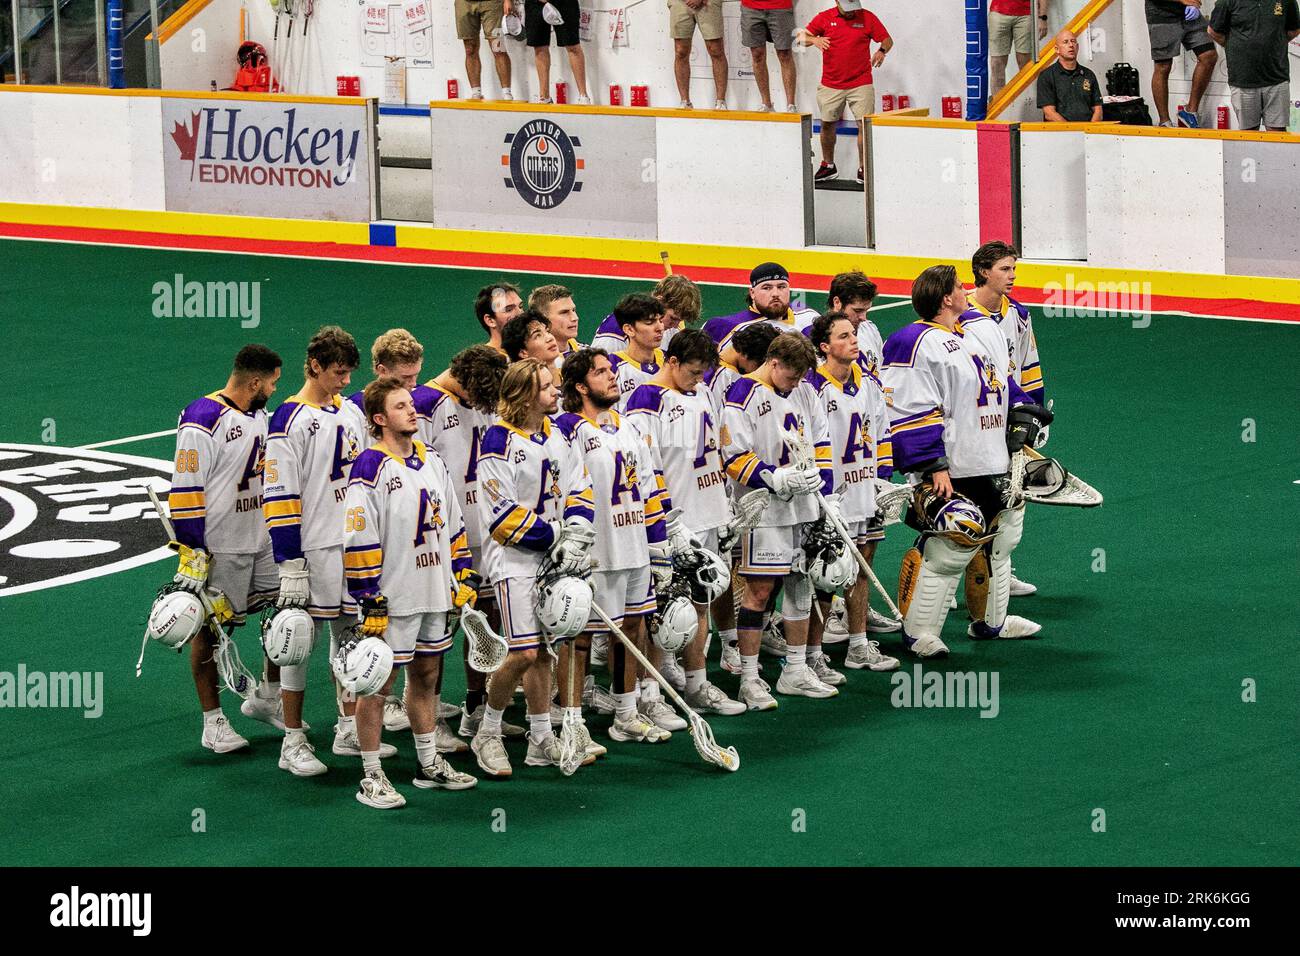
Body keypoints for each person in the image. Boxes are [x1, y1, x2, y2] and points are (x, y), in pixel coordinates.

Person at [881, 266, 1052, 658]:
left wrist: (1025, 413)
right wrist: (931, 463)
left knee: (1001, 538)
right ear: (946, 297)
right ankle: (920, 633)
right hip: (951, 466)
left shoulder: (972, 333)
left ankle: (991, 623)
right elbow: (907, 406)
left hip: (991, 458)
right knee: (951, 542)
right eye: (959, 287)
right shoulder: (912, 341)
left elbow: (1000, 383)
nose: (966, 291)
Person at [343, 377, 480, 808]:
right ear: (379, 418)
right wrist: (370, 597)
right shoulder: (369, 467)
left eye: (411, 404)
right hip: (392, 598)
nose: (412, 411)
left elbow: (453, 521)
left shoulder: (431, 459)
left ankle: (427, 763)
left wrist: (463, 572)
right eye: (401, 406)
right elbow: (359, 535)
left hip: (434, 591)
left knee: (426, 677)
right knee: (376, 686)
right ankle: (371, 775)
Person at [263, 327, 388, 775]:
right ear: (314, 366)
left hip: (352, 545)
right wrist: (290, 562)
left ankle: (347, 727)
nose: (346, 380)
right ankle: (292, 741)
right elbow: (279, 495)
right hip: (314, 548)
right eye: (338, 372)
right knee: (298, 640)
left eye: (350, 372)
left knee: (350, 634)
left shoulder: (350, 412)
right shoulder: (288, 420)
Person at [472, 359, 596, 777]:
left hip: (556, 555)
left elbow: (580, 487)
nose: (556, 391)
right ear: (524, 396)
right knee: (523, 651)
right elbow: (502, 518)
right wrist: (558, 534)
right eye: (545, 386)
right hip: (514, 560)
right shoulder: (498, 441)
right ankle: (487, 731)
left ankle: (540, 738)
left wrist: (575, 533)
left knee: (545, 650)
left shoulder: (558, 432)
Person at [168, 345, 285, 754]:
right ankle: (213, 722)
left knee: (290, 612)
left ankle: (269, 696)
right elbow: (186, 490)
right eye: (272, 382)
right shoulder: (202, 419)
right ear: (254, 382)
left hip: (263, 538)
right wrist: (193, 550)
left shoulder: (259, 415)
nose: (274, 389)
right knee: (212, 631)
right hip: (222, 545)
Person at [626, 330, 749, 716]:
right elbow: (646, 468)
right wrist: (664, 522)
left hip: (708, 514)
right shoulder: (647, 399)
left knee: (700, 602)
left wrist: (725, 508)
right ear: (673, 361)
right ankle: (650, 695)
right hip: (674, 522)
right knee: (663, 608)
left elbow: (714, 452)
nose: (698, 379)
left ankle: (696, 684)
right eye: (693, 372)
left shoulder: (703, 391)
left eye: (703, 373)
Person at [556, 348, 674, 745]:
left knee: (631, 629)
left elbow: (649, 490)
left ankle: (626, 714)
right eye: (601, 372)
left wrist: (659, 547)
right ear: (579, 386)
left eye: (611, 370)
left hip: (634, 548)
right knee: (580, 638)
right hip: (595, 554)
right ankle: (573, 723)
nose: (612, 377)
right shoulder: (567, 429)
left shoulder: (627, 427)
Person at [413, 345, 527, 744]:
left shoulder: (485, 398)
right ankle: (432, 720)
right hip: (445, 537)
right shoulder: (424, 405)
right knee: (438, 630)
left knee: (484, 622)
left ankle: (475, 707)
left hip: (487, 533)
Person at [721, 332, 837, 707]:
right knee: (759, 591)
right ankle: (750, 679)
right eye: (791, 374)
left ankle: (796, 671)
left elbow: (821, 441)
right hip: (763, 511)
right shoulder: (743, 393)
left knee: (801, 585)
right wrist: (775, 477)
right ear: (773, 362)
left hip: (804, 508)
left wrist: (826, 490)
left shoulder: (804, 389)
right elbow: (733, 455)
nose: (796, 382)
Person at [804, 314, 901, 674]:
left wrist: (883, 481)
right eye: (843, 336)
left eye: (854, 334)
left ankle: (858, 645)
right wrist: (823, 497)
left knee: (862, 567)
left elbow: (882, 434)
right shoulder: (813, 388)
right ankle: (812, 654)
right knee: (826, 575)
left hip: (865, 493)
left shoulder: (870, 382)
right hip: (831, 501)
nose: (854, 340)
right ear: (825, 346)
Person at [962, 240, 1046, 598]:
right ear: (984, 272)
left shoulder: (1020, 315)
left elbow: (1029, 368)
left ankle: (999, 570)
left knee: (1010, 496)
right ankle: (951, 577)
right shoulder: (958, 312)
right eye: (1004, 269)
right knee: (967, 498)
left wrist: (1035, 416)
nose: (1012, 276)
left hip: (1008, 417)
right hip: (972, 419)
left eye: (1014, 269)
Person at [797, 0, 892, 184]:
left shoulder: (867, 17)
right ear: (836, 2)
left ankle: (864, 168)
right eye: (847, 9)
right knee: (827, 124)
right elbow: (800, 37)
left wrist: (881, 51)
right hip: (831, 83)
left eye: (853, 8)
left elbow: (888, 40)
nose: (851, 12)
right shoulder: (824, 18)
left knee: (864, 125)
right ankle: (828, 166)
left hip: (861, 82)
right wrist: (814, 40)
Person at [1208, 0, 1300, 132]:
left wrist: (1275, 43)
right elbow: (1213, 31)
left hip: (1277, 78)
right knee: (1248, 134)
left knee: (1277, 134)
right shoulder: (1226, 1)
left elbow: (1294, 30)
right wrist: (1234, 47)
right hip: (1243, 79)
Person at [704, 262, 819, 364]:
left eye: (781, 287)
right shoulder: (725, 327)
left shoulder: (807, 314)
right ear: (752, 293)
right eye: (767, 288)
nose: (775, 294)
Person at [1144, 0, 1218, 127]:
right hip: (1162, 15)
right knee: (1163, 66)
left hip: (1188, 13)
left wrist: (1195, 3)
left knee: (1208, 56)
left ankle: (1190, 111)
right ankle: (1164, 121)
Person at [590, 274, 702, 353]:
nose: (675, 325)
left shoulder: (673, 329)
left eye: (680, 320)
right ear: (659, 301)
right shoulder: (615, 330)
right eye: (673, 318)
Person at [525, 0, 591, 104]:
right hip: (535, 3)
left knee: (572, 45)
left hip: (564, 3)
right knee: (539, 47)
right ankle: (544, 97)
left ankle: (583, 96)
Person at [609, 293, 667, 408]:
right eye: (650, 322)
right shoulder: (610, 367)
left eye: (660, 320)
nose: (660, 328)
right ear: (629, 329)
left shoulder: (670, 361)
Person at [670, 0, 729, 109]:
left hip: (708, 2)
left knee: (716, 50)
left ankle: (720, 102)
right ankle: (685, 102)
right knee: (681, 51)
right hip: (680, 3)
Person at [741, 0, 798, 111]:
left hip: (780, 5)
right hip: (751, 7)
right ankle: (766, 104)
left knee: (784, 54)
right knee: (757, 55)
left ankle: (791, 105)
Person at [1036, 29, 1103, 122]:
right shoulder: (1047, 76)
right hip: (1060, 130)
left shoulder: (1089, 75)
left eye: (1073, 41)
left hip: (1088, 129)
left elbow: (1098, 110)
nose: (1071, 45)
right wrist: (1070, 129)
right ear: (1057, 49)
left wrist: (1090, 129)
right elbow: (1049, 114)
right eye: (1065, 42)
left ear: (1077, 47)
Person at [988, 0, 1047, 99]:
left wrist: (1043, 17)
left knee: (1026, 65)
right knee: (997, 65)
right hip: (999, 13)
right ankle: (998, 103)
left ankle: (1028, 102)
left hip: (1026, 14)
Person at [457, 0, 513, 100]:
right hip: (465, 3)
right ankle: (476, 93)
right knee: (470, 49)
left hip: (492, 3)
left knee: (498, 47)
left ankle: (507, 93)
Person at [529, 283, 584, 361]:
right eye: (564, 312)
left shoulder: (588, 356)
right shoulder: (531, 363)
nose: (575, 318)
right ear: (542, 319)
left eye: (573, 310)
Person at [475, 281, 523, 352]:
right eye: (509, 310)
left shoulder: (530, 353)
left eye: (521, 306)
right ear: (490, 320)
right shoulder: (482, 358)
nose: (520, 313)